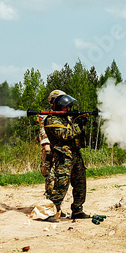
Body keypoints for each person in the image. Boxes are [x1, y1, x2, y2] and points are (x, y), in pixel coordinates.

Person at [38, 89, 91, 222]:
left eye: (69, 106)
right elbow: (65, 135)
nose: (67, 109)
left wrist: (81, 121)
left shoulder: (68, 118)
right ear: (58, 106)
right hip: (63, 156)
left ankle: (77, 210)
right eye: (65, 106)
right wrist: (78, 125)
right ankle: (50, 212)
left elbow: (78, 135)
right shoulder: (51, 119)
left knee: (80, 183)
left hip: (75, 154)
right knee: (61, 184)